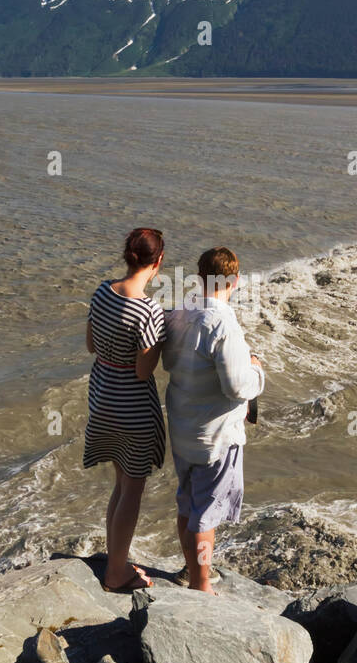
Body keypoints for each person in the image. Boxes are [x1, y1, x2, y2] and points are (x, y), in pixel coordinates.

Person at [162, 246, 264, 594]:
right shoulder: (223, 323)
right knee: (205, 514)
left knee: (187, 504)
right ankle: (202, 583)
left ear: (200, 276)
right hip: (215, 437)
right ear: (234, 281)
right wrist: (257, 372)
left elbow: (170, 361)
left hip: (182, 428)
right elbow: (237, 387)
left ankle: (190, 569)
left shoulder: (180, 312)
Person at [84, 228, 167, 592]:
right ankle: (116, 572)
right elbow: (144, 370)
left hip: (102, 395)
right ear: (158, 261)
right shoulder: (148, 309)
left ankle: (115, 557)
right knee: (132, 489)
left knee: (120, 483)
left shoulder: (103, 291)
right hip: (131, 406)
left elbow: (90, 344)